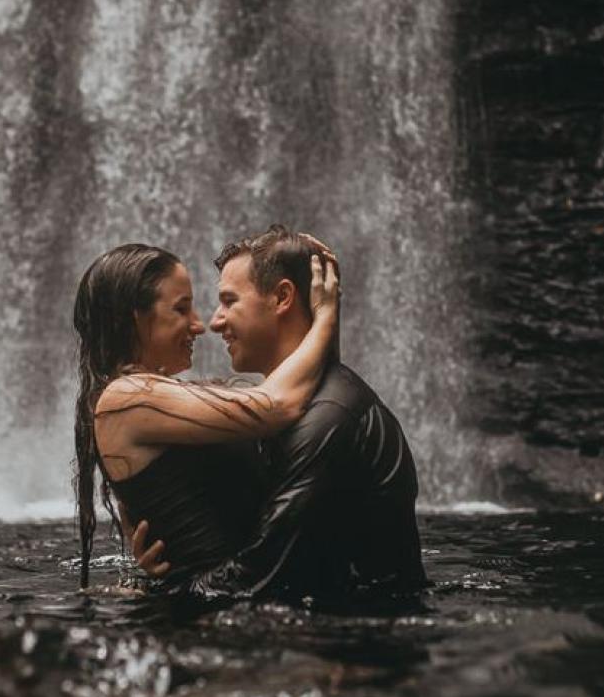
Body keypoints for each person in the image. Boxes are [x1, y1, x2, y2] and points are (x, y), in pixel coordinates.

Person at [132, 225, 426, 606]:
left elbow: (263, 577)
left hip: (349, 651)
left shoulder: (329, 419)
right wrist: (175, 544)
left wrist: (152, 593)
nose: (215, 322)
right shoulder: (291, 406)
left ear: (282, 297)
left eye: (228, 301)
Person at [72, 241, 339, 589]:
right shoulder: (127, 399)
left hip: (227, 599)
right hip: (215, 610)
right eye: (181, 309)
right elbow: (278, 406)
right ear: (134, 319)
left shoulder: (148, 399)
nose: (199, 325)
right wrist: (325, 316)